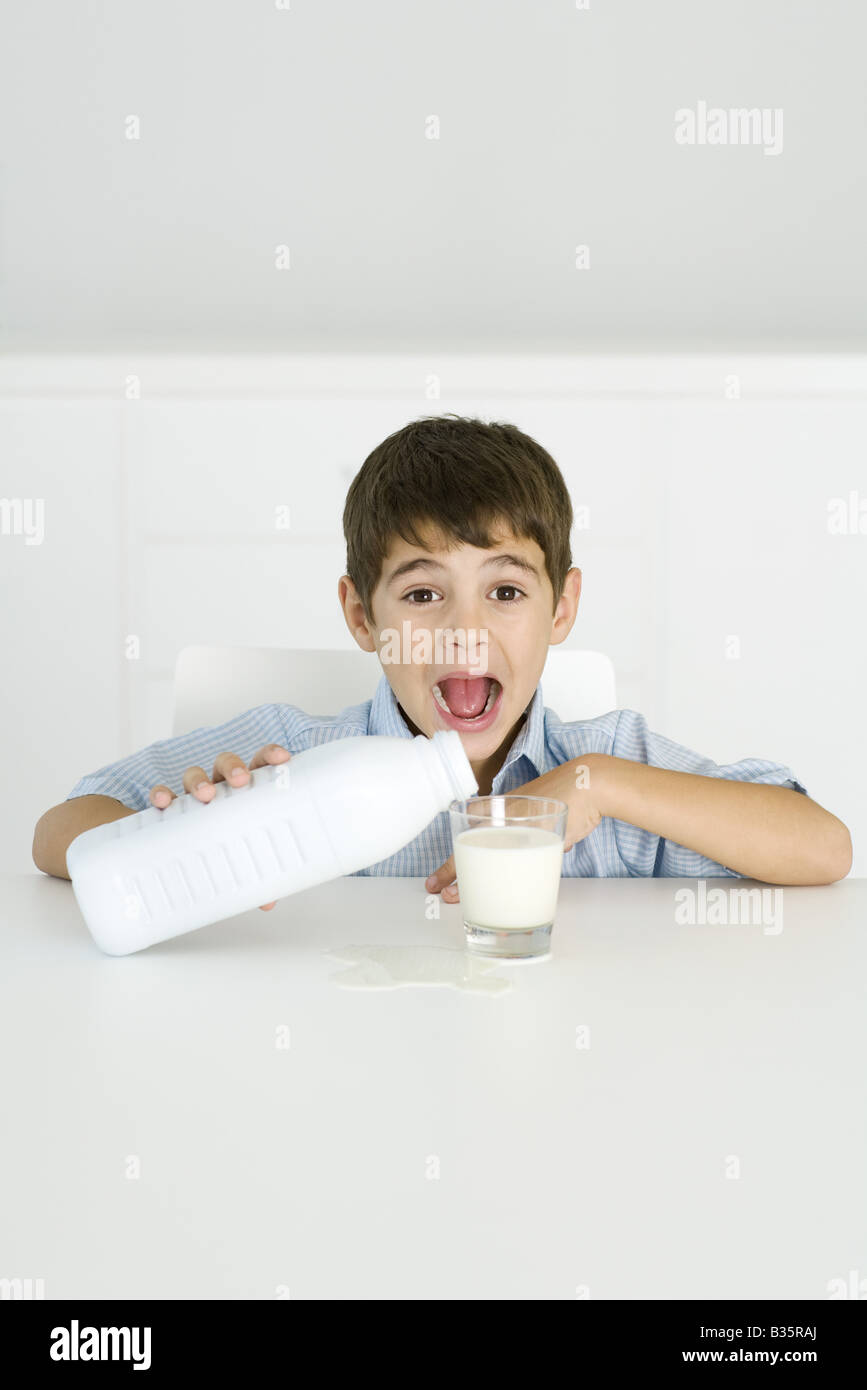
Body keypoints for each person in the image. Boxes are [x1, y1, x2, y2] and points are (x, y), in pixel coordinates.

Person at [32, 414, 852, 906]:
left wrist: (600, 784)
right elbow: (57, 833)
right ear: (363, 615)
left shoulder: (606, 773)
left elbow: (823, 849)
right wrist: (192, 834)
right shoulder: (297, 755)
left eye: (504, 592)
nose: (464, 631)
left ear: (561, 606)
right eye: (423, 596)